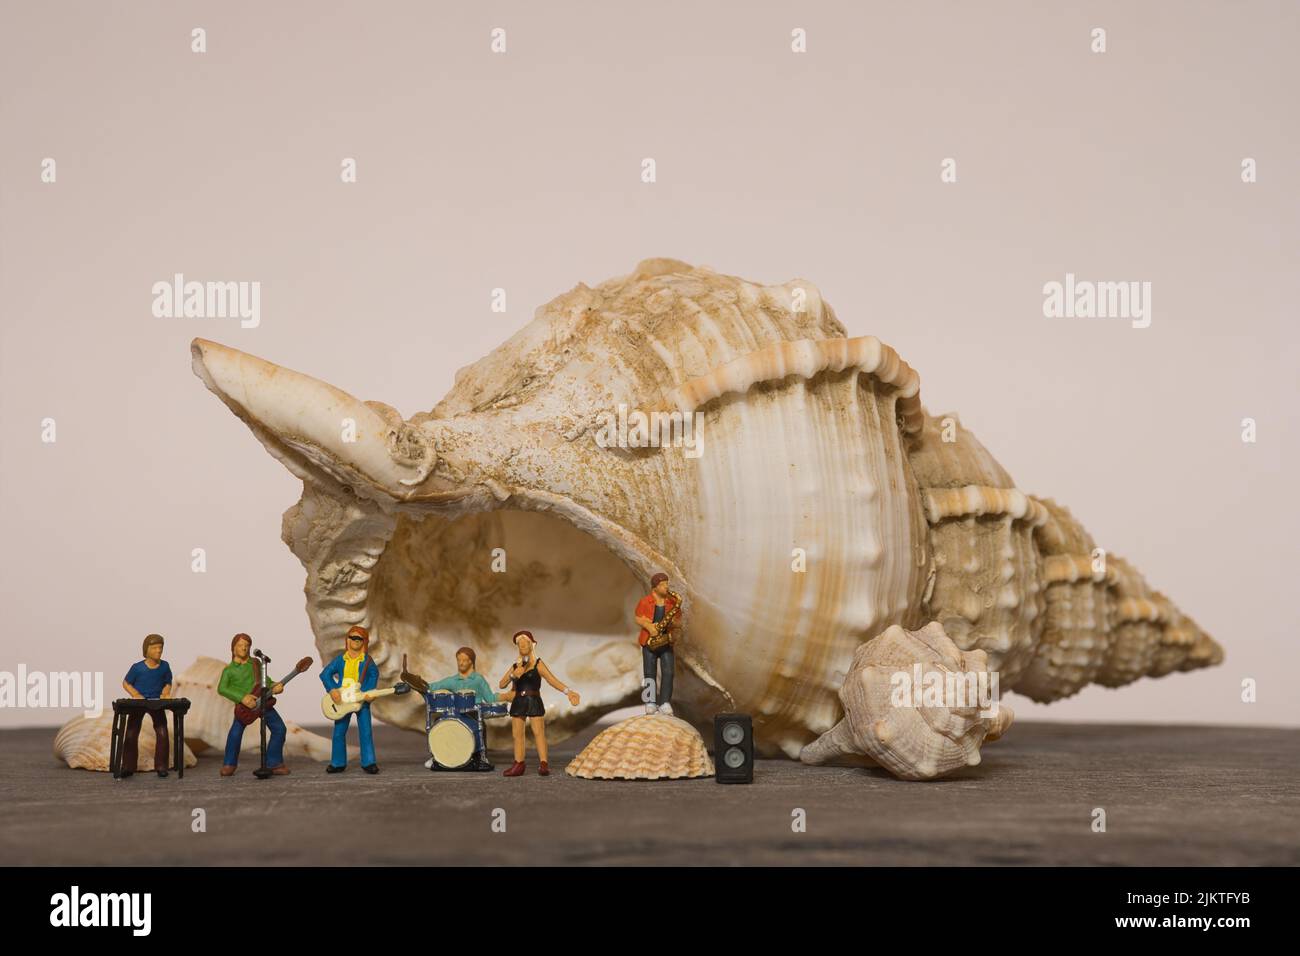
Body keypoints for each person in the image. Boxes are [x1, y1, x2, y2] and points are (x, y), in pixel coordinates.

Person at [498, 630, 579, 777]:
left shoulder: (538, 664)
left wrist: (569, 692)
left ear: (532, 645)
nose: (522, 646)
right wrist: (512, 676)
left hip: (534, 699)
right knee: (517, 734)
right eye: (519, 644)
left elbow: (552, 680)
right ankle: (518, 763)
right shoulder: (515, 666)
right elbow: (501, 684)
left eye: (525, 643)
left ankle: (544, 763)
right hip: (519, 701)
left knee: (539, 732)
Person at [217, 633, 288, 776]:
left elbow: (265, 680)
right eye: (240, 645)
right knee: (235, 734)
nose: (244, 648)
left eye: (246, 646)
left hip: (263, 704)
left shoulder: (256, 663)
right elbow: (222, 688)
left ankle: (273, 762)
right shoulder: (229, 670)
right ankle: (229, 763)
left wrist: (274, 685)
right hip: (245, 708)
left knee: (280, 729)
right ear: (233, 648)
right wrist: (242, 698)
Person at [320, 624, 380, 774]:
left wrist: (369, 691)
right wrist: (332, 689)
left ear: (364, 641)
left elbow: (374, 674)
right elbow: (325, 674)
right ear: (346, 640)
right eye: (351, 637)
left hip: (361, 701)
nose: (355, 640)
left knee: (365, 732)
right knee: (339, 732)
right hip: (342, 702)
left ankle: (369, 762)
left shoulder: (367, 661)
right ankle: (337, 762)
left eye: (358, 638)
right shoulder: (340, 660)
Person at [120, 634, 174, 778]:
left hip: (157, 702)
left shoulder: (164, 666)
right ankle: (128, 766)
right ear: (147, 649)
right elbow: (126, 683)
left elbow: (168, 681)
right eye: (155, 648)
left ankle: (162, 766)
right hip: (139, 703)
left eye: (160, 648)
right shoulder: (137, 668)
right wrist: (135, 694)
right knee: (131, 732)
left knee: (162, 732)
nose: (158, 651)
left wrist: (166, 690)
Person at [634, 572, 682, 715]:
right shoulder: (645, 601)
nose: (666, 587)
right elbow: (638, 618)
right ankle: (650, 701)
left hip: (666, 642)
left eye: (667, 584)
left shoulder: (672, 602)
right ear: (654, 587)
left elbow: (679, 623)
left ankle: (665, 702)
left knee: (668, 672)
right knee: (649, 673)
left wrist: (673, 622)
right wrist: (649, 627)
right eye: (663, 585)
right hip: (649, 642)